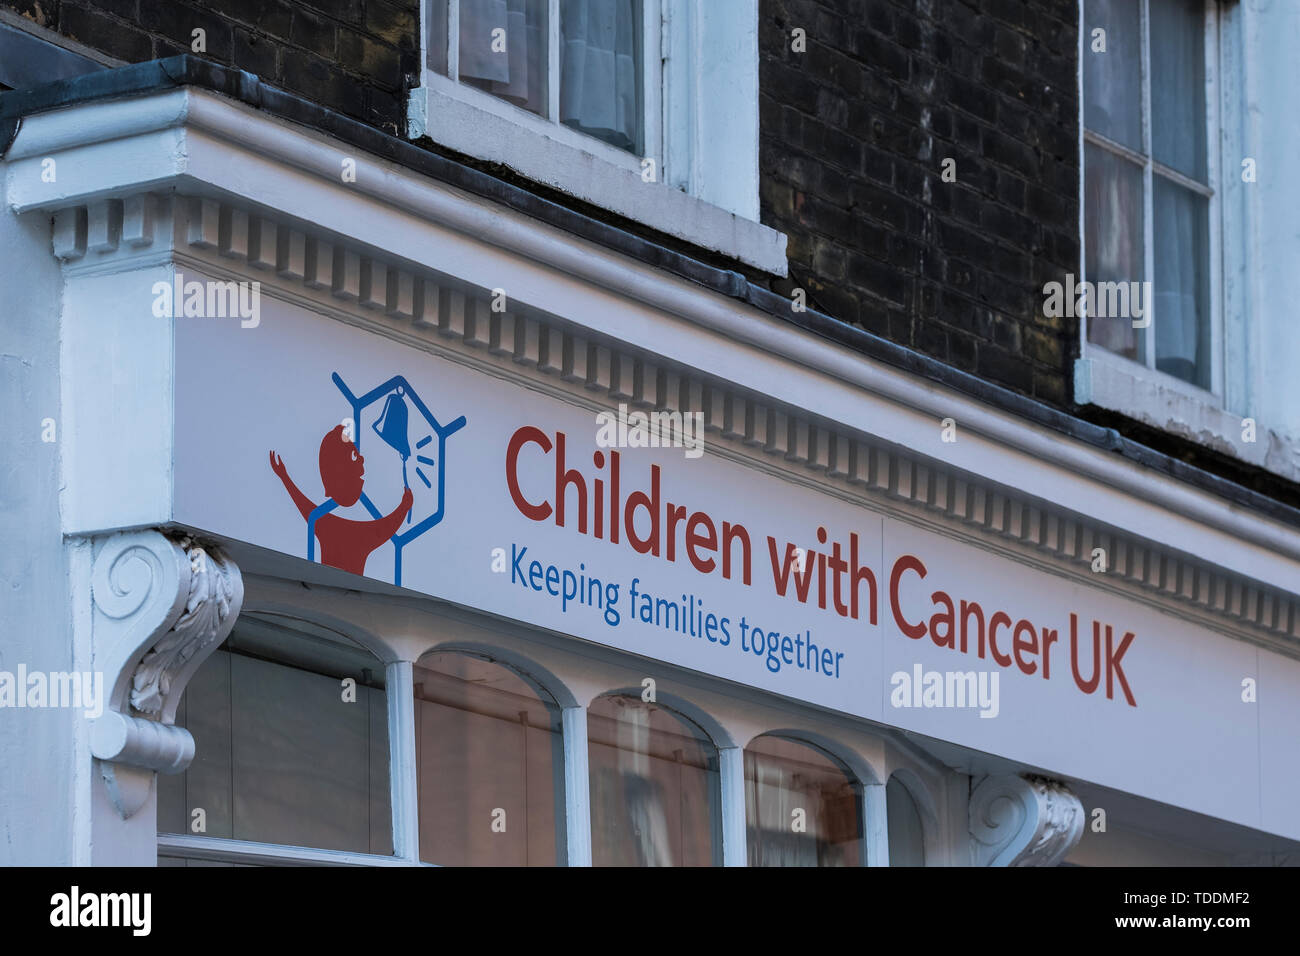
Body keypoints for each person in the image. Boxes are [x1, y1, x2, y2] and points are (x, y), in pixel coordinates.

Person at [270, 424, 412, 575]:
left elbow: (385, 527)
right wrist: (405, 506)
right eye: (353, 456)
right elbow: (385, 528)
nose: (362, 459)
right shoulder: (328, 523)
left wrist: (404, 506)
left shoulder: (322, 521)